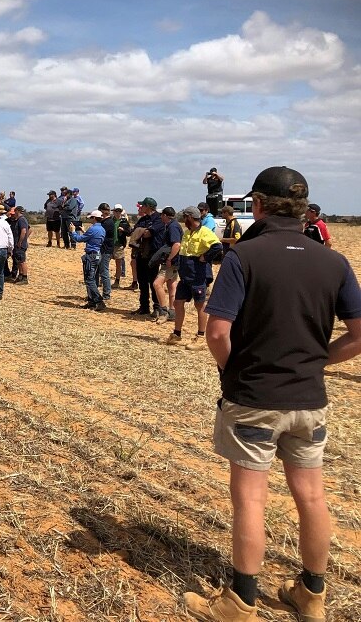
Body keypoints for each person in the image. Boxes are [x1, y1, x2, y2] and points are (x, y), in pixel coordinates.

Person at [184, 166, 361, 622]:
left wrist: (238, 372)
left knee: (250, 500)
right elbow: (359, 334)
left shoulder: (244, 257)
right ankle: (311, 595)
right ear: (304, 208)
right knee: (312, 497)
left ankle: (240, 602)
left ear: (257, 205)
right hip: (310, 401)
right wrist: (317, 361)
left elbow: (218, 331)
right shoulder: (334, 262)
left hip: (255, 399)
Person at [164, 206, 221, 350]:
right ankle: (177, 334)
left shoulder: (205, 232)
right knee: (178, 303)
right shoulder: (187, 233)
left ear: (190, 217)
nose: (183, 219)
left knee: (200, 305)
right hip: (185, 276)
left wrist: (205, 257)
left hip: (198, 275)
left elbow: (217, 246)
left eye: (185, 217)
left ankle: (201, 337)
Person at [129, 197, 165, 317]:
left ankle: (157, 307)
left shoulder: (158, 220)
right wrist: (141, 231)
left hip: (152, 256)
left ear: (148, 206)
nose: (141, 207)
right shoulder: (143, 219)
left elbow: (148, 233)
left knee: (153, 282)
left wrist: (140, 231)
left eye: (142, 205)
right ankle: (144, 307)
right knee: (142, 282)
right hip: (141, 254)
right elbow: (135, 231)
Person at [152, 207, 183, 324]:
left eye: (162, 215)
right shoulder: (174, 225)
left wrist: (170, 258)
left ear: (165, 215)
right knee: (171, 285)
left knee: (157, 284)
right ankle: (172, 312)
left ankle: (163, 311)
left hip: (171, 262)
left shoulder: (173, 227)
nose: (160, 217)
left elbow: (176, 244)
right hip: (175, 262)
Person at [70, 211, 107, 311]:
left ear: (94, 218)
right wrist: (84, 231)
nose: (90, 219)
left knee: (89, 280)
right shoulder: (102, 229)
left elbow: (79, 239)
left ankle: (98, 301)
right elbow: (91, 239)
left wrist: (73, 231)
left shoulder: (93, 228)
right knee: (91, 278)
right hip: (97, 254)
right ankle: (91, 302)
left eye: (91, 218)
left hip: (91, 255)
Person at [111, 204, 131, 287]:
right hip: (110, 245)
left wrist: (123, 230)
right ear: (114, 211)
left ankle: (117, 281)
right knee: (104, 263)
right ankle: (103, 279)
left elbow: (129, 233)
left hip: (119, 245)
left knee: (118, 264)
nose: (118, 213)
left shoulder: (124, 222)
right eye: (116, 211)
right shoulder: (110, 221)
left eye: (119, 211)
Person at [11, 206, 30, 284]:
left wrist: (20, 241)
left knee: (22, 261)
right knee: (18, 260)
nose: (14, 213)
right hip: (17, 244)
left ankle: (25, 278)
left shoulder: (21, 220)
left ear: (18, 211)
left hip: (20, 245)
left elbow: (24, 231)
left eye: (15, 211)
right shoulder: (20, 220)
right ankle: (21, 275)